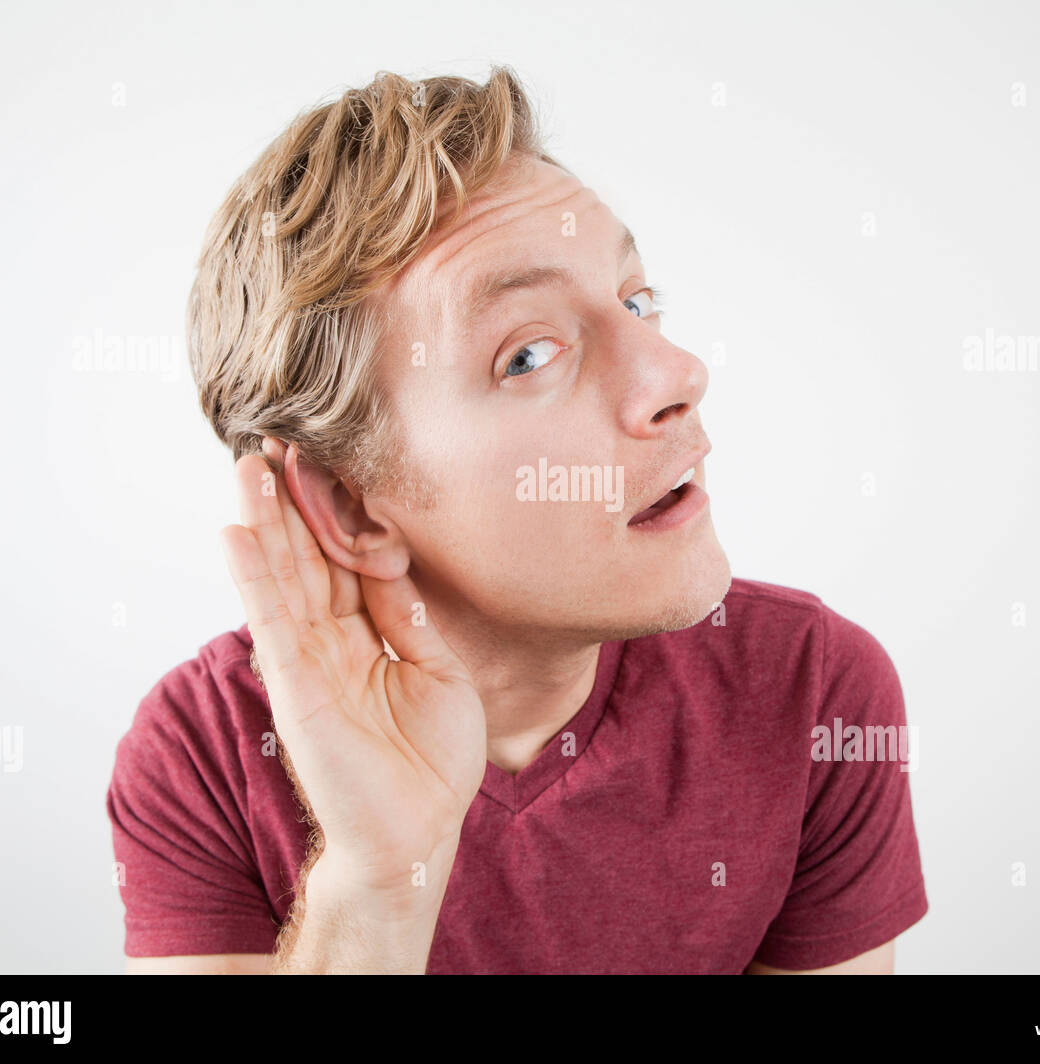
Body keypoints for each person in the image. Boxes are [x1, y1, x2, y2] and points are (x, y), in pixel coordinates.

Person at [107, 65, 928, 974]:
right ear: (349, 506)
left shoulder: (811, 692)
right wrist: (379, 881)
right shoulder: (203, 755)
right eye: (529, 354)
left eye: (636, 301)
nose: (677, 373)